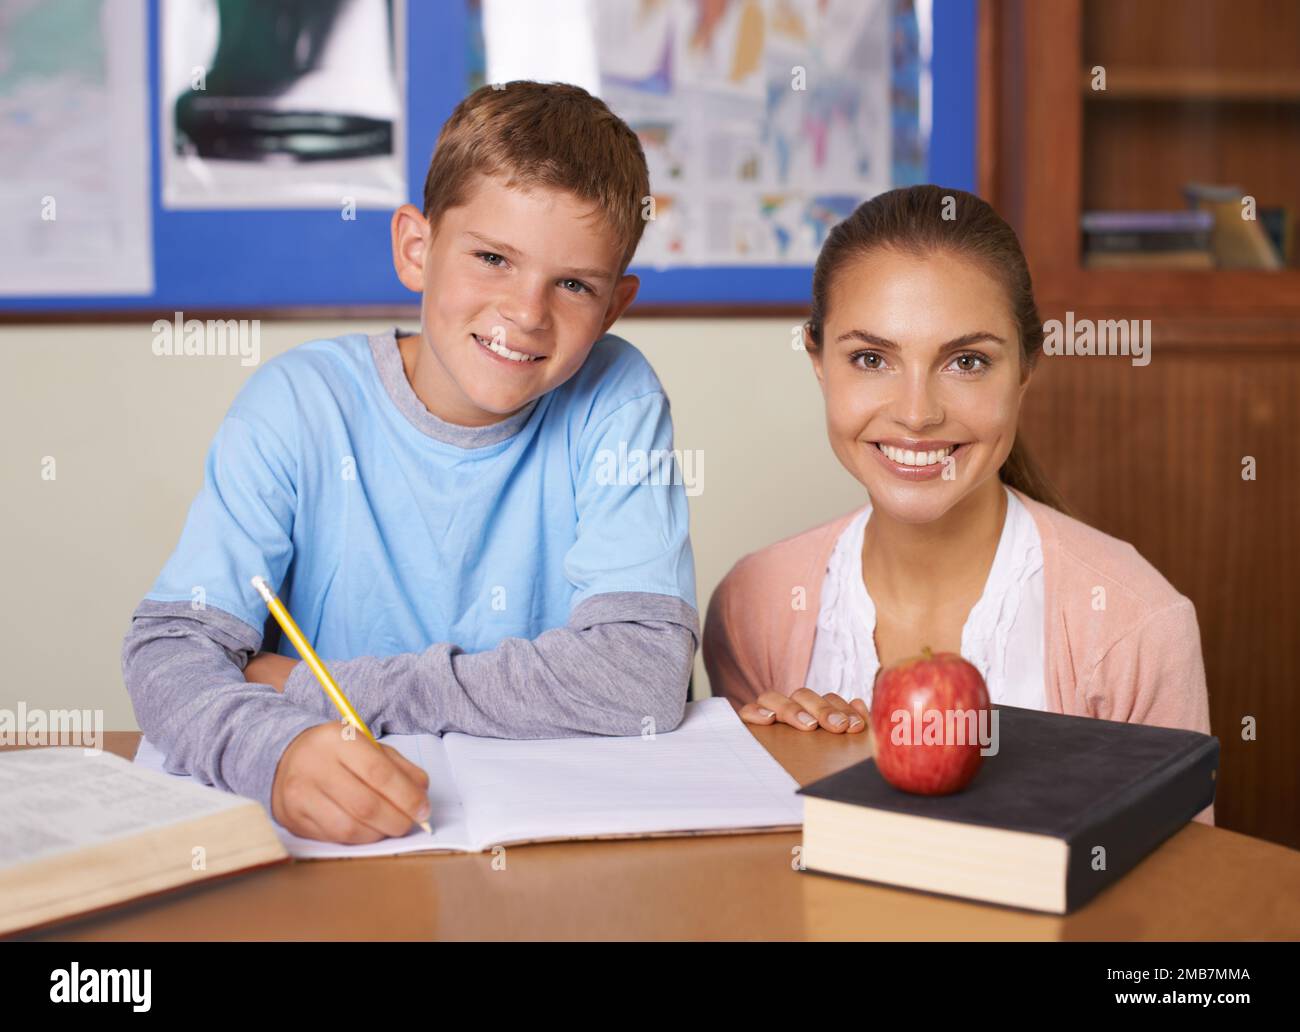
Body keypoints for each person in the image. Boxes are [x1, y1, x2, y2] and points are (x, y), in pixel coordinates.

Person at [123, 82, 698, 844]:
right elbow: (170, 651)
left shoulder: (616, 397)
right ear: (415, 250)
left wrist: (315, 691)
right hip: (330, 850)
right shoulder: (298, 406)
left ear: (614, 306)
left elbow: (640, 674)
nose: (526, 313)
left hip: (539, 849)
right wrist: (276, 750)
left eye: (572, 284)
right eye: (493, 258)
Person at [703, 185, 1213, 825]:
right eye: (870, 358)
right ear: (818, 361)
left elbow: (1179, 899)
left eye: (967, 361)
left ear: (1026, 368)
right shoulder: (751, 607)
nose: (918, 413)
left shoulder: (1136, 625)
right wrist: (800, 762)